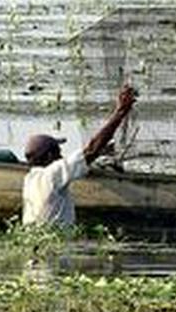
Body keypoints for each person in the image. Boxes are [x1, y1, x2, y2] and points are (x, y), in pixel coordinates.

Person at [21, 84, 137, 227]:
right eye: (58, 152)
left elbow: (90, 153)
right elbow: (90, 150)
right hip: (57, 238)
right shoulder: (53, 174)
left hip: (33, 237)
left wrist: (99, 152)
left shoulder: (30, 179)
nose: (62, 156)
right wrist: (120, 112)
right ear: (50, 155)